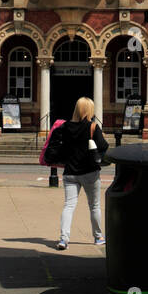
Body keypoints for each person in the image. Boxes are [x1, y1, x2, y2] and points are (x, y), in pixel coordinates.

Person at [55, 97, 108, 250]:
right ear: (90, 110)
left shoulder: (65, 127)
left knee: (69, 206)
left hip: (70, 172)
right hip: (90, 171)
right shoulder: (92, 127)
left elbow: (61, 147)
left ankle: (64, 239)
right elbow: (103, 145)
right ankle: (98, 237)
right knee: (95, 206)